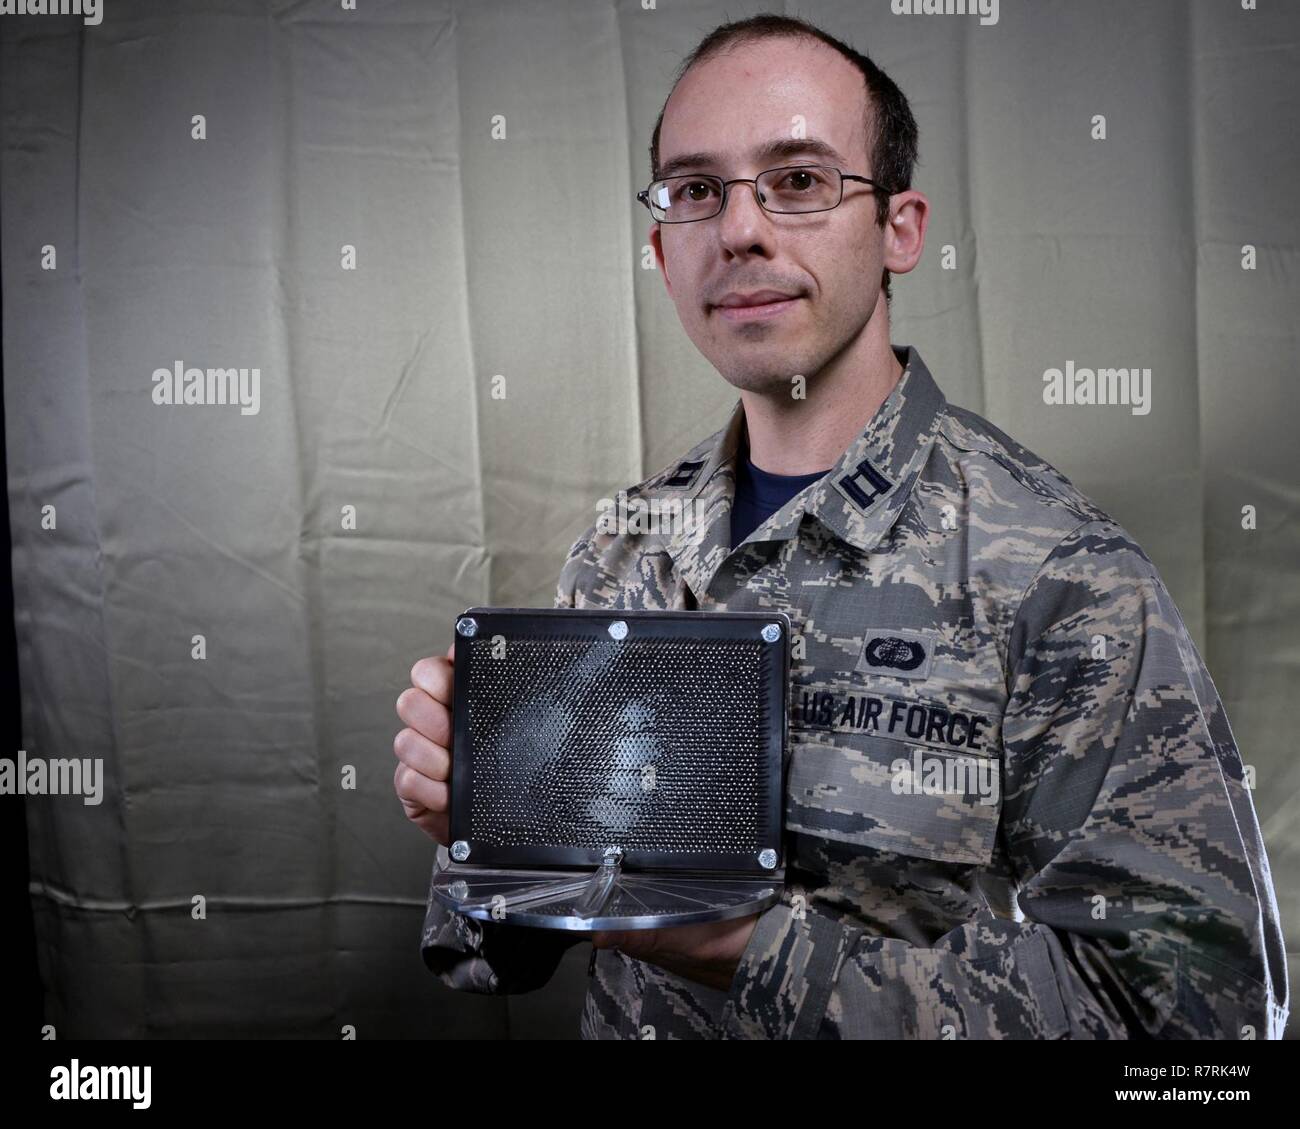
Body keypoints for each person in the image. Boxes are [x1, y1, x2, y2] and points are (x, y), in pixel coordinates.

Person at [393, 14, 1288, 1039]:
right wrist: (480, 820)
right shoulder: (628, 547)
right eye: (695, 191)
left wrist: (746, 951)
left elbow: (1194, 1020)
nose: (739, 230)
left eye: (800, 180)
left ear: (899, 227)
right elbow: (493, 947)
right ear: (661, 246)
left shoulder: (1059, 575)